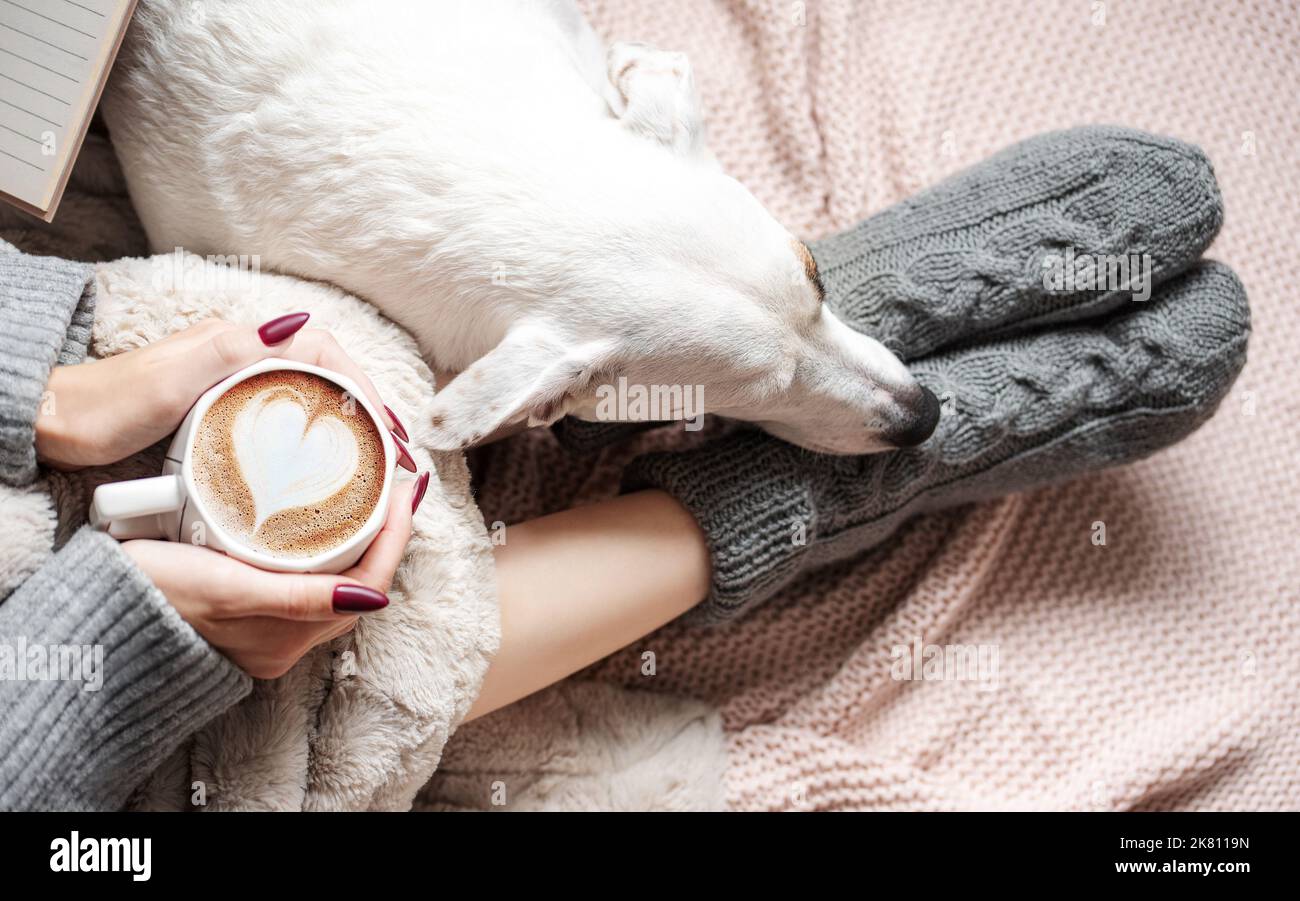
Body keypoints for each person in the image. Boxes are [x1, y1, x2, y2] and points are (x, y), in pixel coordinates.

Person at [0, 126, 1248, 809]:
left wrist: (40, 391)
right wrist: (120, 658)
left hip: (90, 394)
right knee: (276, 732)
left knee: (323, 357)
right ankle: (805, 479)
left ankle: (801, 326)